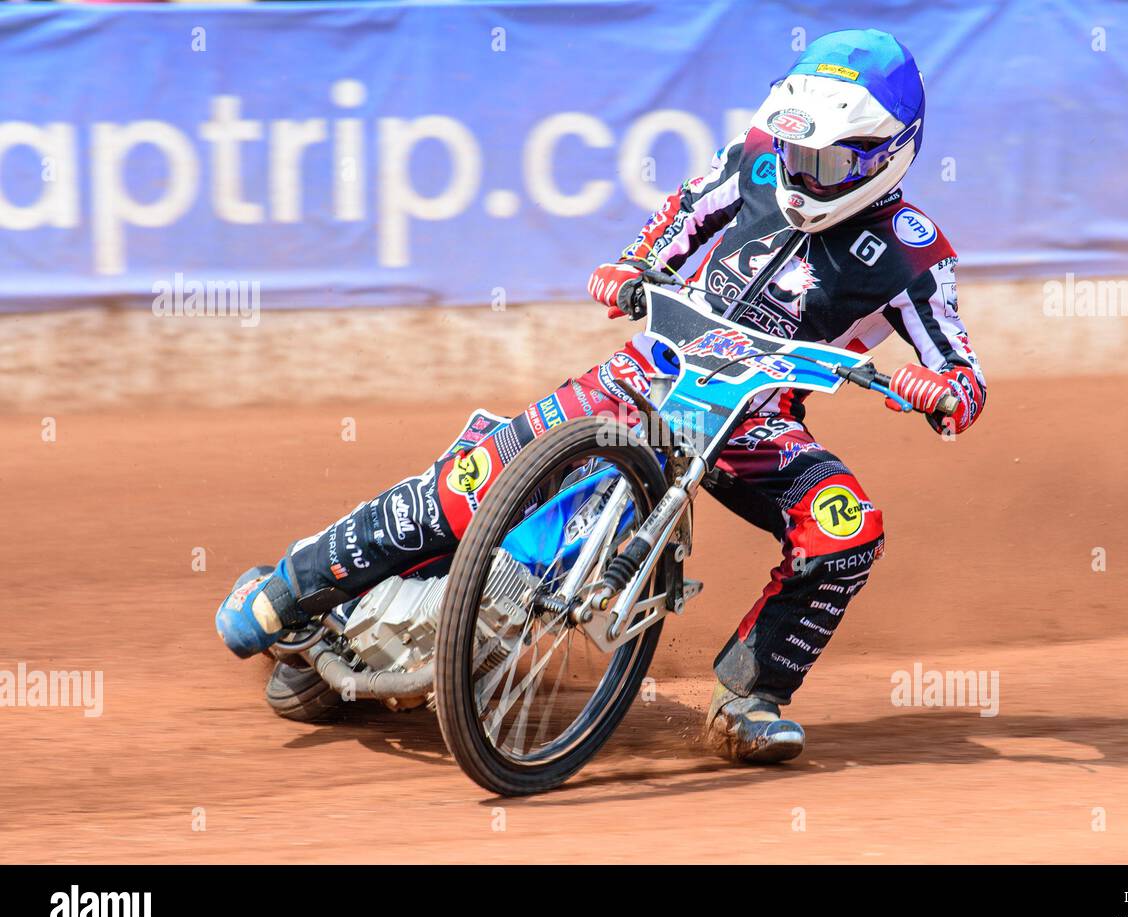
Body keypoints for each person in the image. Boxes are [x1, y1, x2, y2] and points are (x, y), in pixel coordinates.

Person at [215, 29, 986, 765]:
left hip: (754, 422)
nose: (801, 172)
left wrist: (943, 390)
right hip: (647, 373)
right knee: (471, 482)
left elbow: (963, 373)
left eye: (826, 161)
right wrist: (632, 265)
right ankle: (294, 586)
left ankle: (749, 698)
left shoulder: (914, 253)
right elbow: (680, 217)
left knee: (845, 527)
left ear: (886, 156)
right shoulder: (755, 158)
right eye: (794, 150)